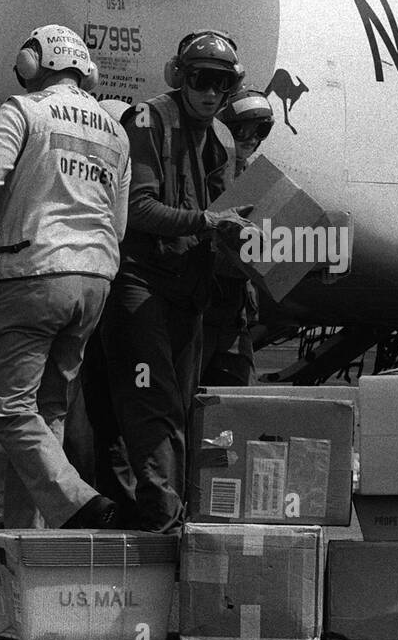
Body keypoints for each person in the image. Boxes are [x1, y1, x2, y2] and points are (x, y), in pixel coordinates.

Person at [0, 24, 130, 529]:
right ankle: (26, 537)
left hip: (36, 272)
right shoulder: (115, 130)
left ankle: (78, 499)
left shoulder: (24, 109)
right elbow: (118, 223)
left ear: (34, 62)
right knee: (47, 410)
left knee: (9, 406)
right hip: (95, 279)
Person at [100, 29, 255, 532]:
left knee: (181, 409)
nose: (210, 93)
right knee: (154, 404)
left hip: (189, 288)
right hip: (139, 281)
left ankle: (155, 514)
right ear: (179, 77)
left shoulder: (223, 138)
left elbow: (226, 212)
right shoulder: (147, 119)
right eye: (200, 81)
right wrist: (208, 223)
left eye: (221, 84)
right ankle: (163, 522)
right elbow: (138, 208)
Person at [200, 89, 274, 386]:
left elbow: (281, 252)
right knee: (179, 398)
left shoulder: (258, 182)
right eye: (242, 129)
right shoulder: (198, 172)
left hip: (234, 309)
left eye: (260, 130)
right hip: (198, 305)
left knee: (237, 397)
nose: (251, 137)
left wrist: (321, 261)